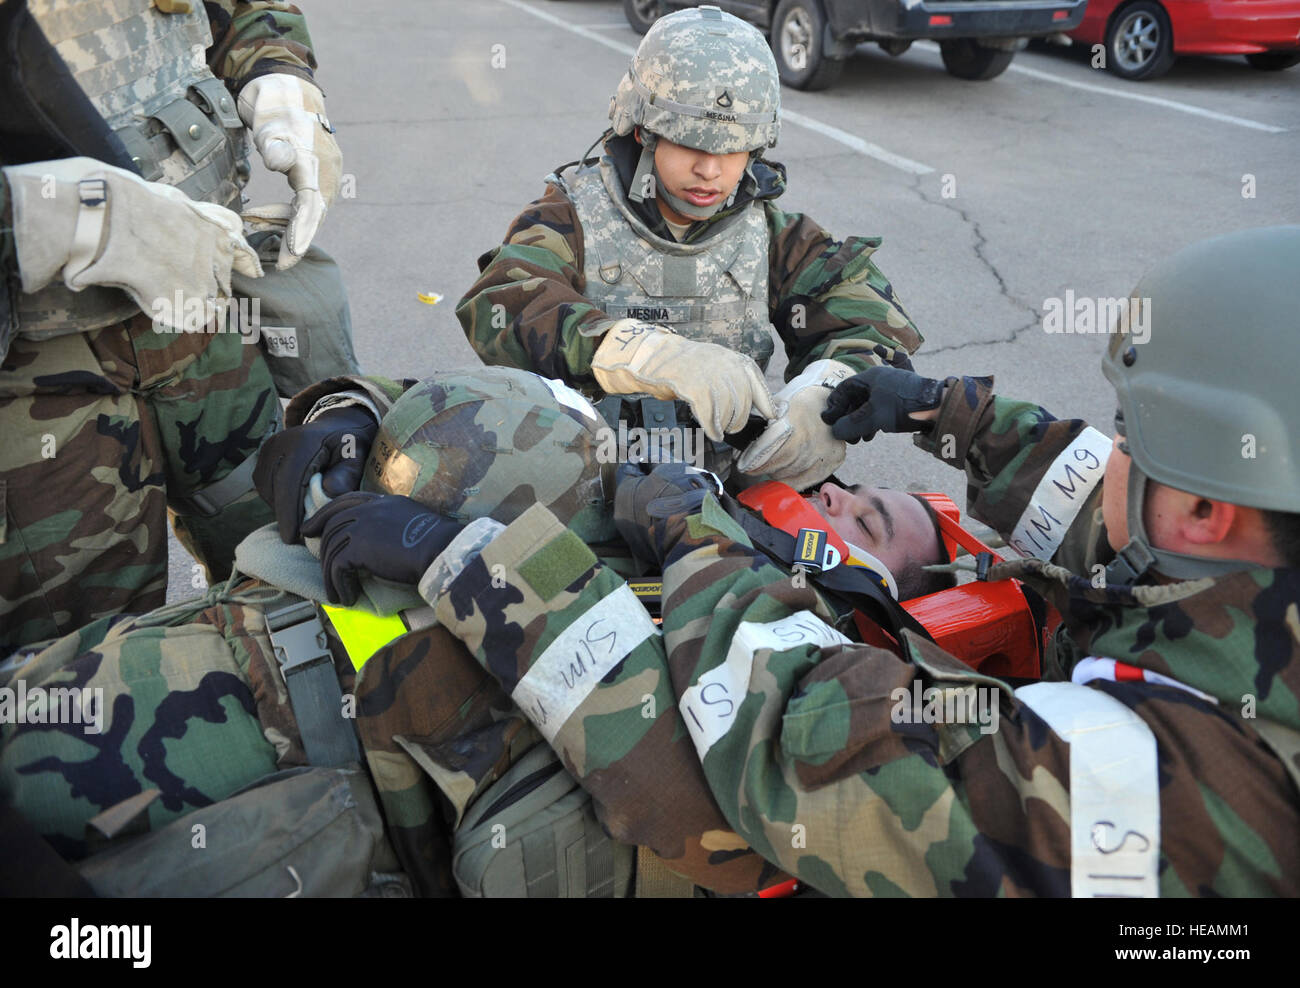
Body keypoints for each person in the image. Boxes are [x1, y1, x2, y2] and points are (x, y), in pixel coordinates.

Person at [426, 226, 1300, 896]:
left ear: (1200, 508)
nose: (1107, 449)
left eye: (1126, 436)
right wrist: (942, 411)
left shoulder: (1155, 792)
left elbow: (799, 739)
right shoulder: (1248, 571)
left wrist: (692, 536)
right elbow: (1116, 523)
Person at [0, 366, 952, 897]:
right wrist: (343, 420)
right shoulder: (676, 481)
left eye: (870, 520)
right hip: (225, 634)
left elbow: (699, 802)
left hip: (294, 788)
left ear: (878, 593)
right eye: (853, 484)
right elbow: (478, 406)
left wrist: (467, 557)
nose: (837, 495)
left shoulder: (799, 663)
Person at [0, 0, 353, 651]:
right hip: (37, 376)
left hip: (204, 311)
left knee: (297, 572)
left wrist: (278, 76)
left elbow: (245, 10)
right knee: (82, 669)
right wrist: (35, 215)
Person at [454, 4, 922, 488]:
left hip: (724, 492)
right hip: (584, 484)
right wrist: (636, 353)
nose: (710, 171)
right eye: (691, 146)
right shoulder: (572, 214)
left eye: (730, 150)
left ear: (756, 148)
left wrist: (828, 390)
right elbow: (503, 303)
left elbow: (870, 323)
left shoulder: (778, 236)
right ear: (644, 131)